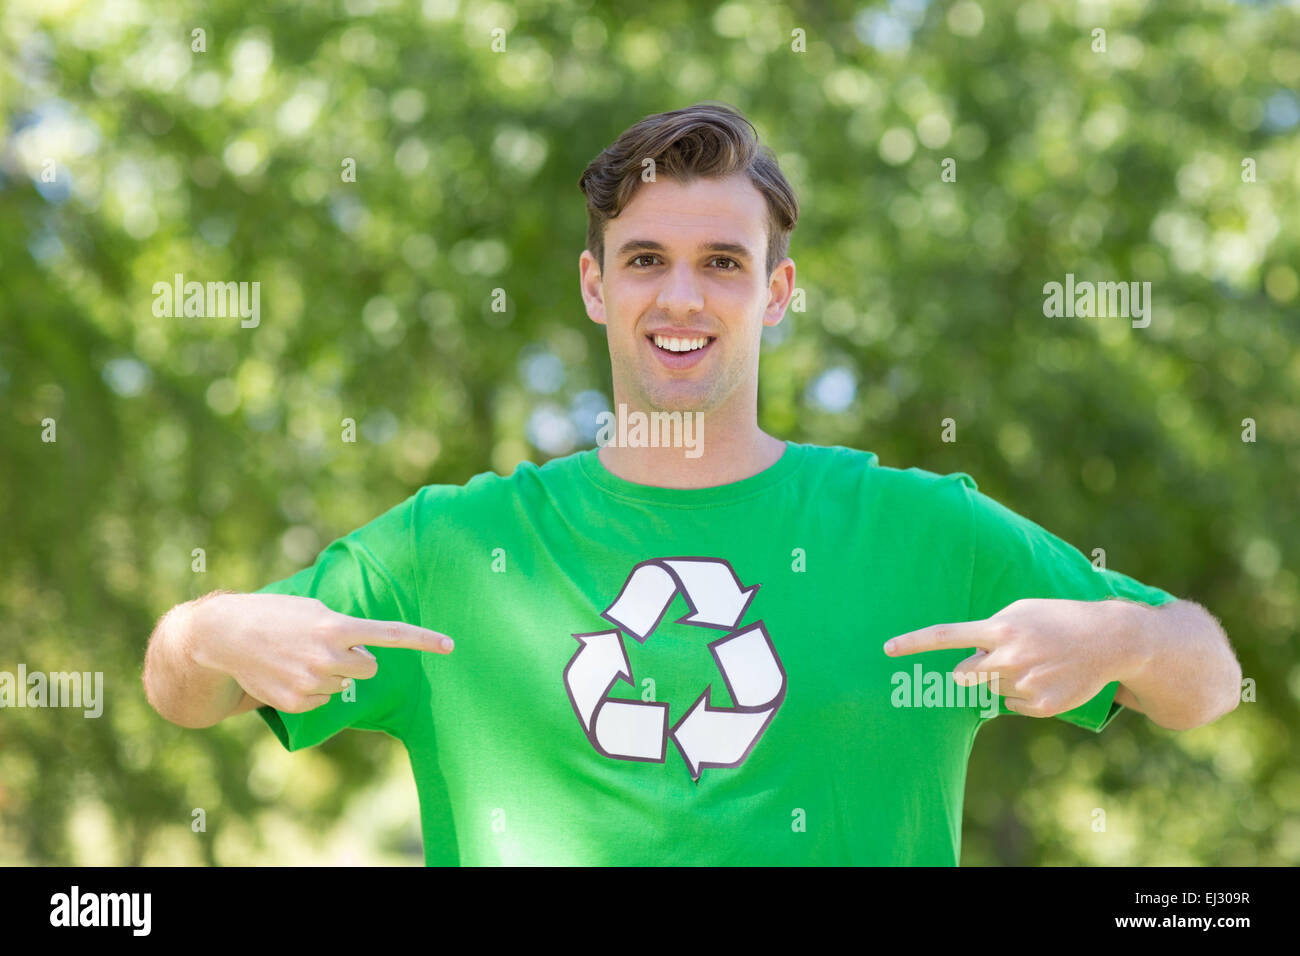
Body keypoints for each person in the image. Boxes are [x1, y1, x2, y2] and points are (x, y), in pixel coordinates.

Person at [142, 102, 1242, 865]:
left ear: (774, 292)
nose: (682, 295)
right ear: (594, 283)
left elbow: (1205, 677)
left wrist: (1124, 641)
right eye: (644, 259)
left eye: (722, 261)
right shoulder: (455, 547)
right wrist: (206, 629)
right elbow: (185, 694)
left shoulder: (921, 530)